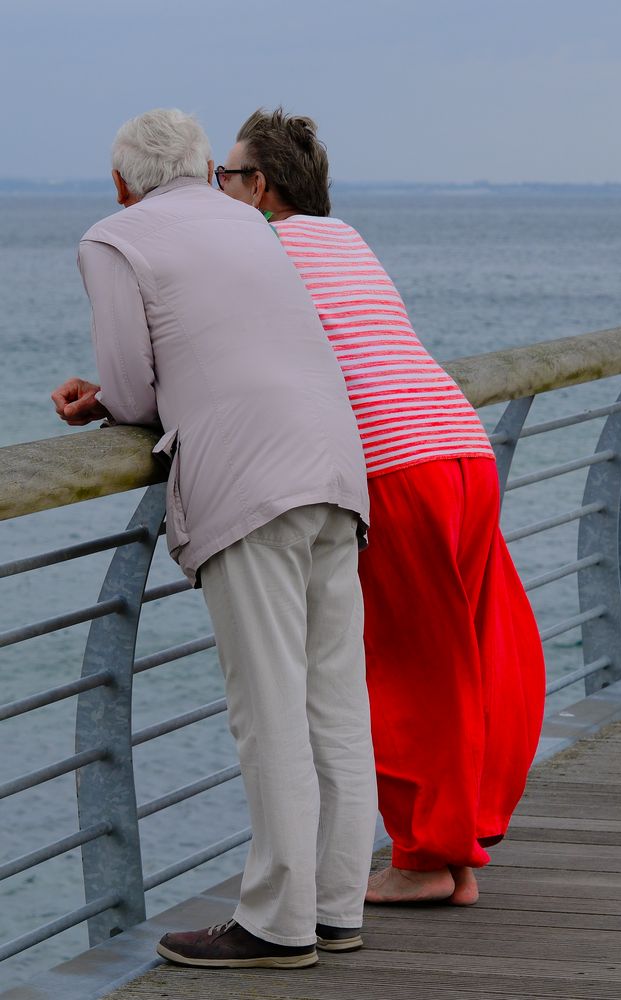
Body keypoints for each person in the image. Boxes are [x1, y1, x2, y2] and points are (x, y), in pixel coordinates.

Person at [51, 109, 376, 969]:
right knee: (336, 703)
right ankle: (337, 905)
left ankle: (276, 922)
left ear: (122, 183)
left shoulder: (113, 239)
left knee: (267, 708)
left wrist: (104, 402)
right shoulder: (251, 223)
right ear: (204, 172)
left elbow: (129, 379)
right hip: (335, 464)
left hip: (250, 480)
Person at [217, 108, 546, 905]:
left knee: (402, 666)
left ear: (259, 187)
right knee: (471, 643)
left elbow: (216, 359)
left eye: (224, 178)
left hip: (397, 467)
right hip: (461, 448)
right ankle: (459, 848)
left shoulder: (259, 248)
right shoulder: (345, 238)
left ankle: (427, 860)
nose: (216, 192)